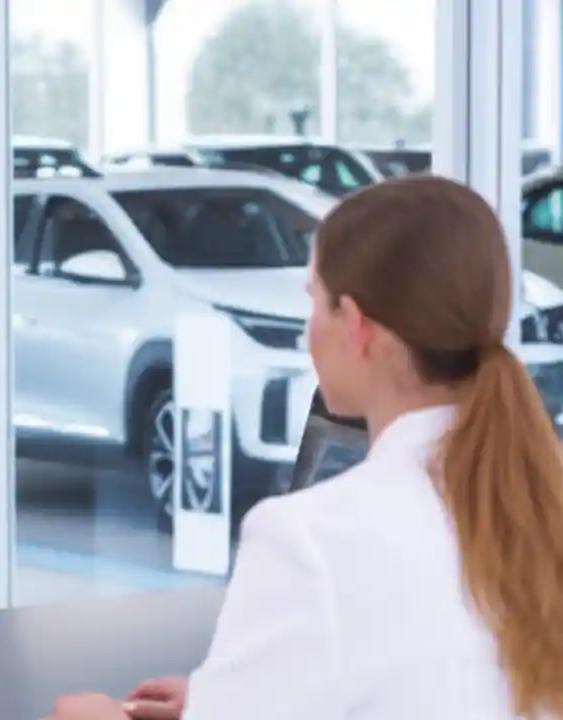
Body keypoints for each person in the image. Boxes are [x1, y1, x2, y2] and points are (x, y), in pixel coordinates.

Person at [50, 175, 563, 719]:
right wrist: (236, 695)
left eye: (314, 301)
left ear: (357, 325)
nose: (306, 331)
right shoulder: (536, 497)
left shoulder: (309, 539)